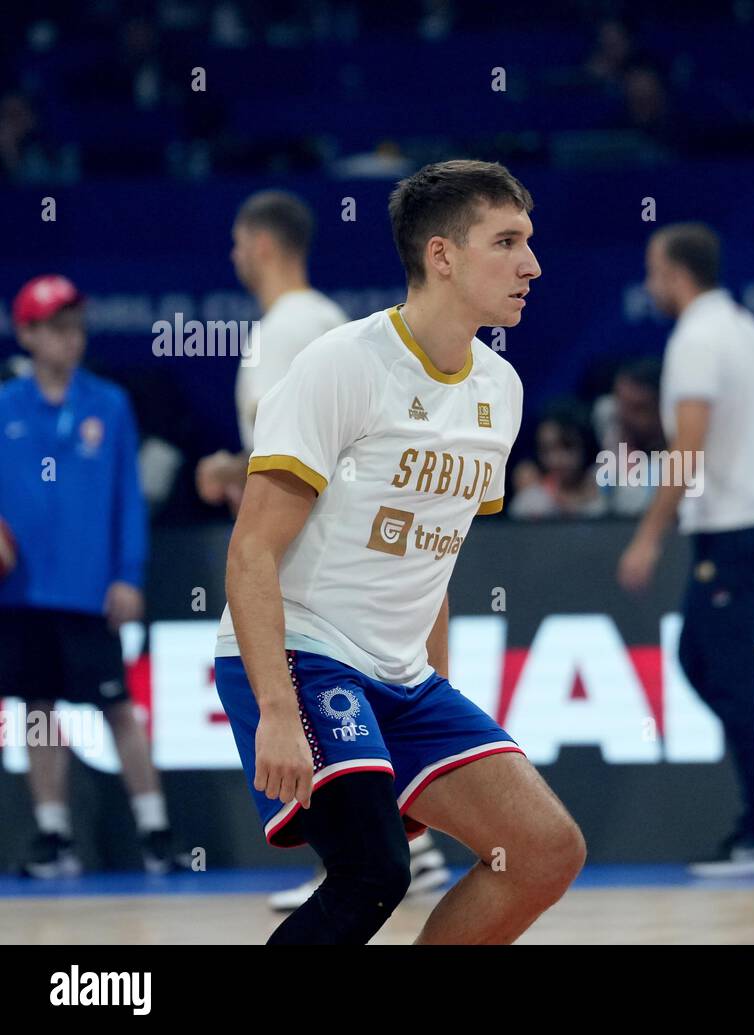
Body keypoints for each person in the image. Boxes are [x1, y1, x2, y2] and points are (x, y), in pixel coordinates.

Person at [213, 159, 584, 945]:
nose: (533, 264)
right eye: (508, 241)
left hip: (402, 676)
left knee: (545, 852)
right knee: (372, 871)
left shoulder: (501, 390)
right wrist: (276, 708)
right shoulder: (341, 364)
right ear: (442, 255)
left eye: (530, 242)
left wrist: (429, 724)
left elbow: (434, 563)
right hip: (305, 651)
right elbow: (250, 551)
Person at [618, 222, 754, 876]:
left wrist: (648, 535)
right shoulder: (744, 327)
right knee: (708, 659)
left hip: (736, 523)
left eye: (653, 272)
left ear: (675, 273)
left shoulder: (697, 338)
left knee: (718, 666)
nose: (649, 285)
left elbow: (688, 448)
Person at [0, 275, 190, 877]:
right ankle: (54, 837)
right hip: (22, 589)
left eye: (76, 327)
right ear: (26, 333)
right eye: (55, 328)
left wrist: (128, 575)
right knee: (37, 709)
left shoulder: (108, 404)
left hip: (89, 590)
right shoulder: (5, 407)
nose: (69, 339)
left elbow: (127, 500)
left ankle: (156, 832)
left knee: (118, 707)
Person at [195, 190, 349, 514]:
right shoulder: (333, 318)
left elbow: (282, 452)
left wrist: (224, 471)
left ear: (262, 244)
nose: (234, 256)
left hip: (302, 536)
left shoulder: (279, 331)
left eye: (238, 243)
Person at [590, 356, 666, 516]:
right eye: (621, 404)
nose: (624, 417)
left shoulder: (680, 465)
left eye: (638, 408)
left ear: (662, 409)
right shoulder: (608, 420)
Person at [509, 399, 608, 519]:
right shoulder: (531, 504)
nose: (556, 459)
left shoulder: (609, 492)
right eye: (547, 450)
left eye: (567, 446)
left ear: (585, 444)